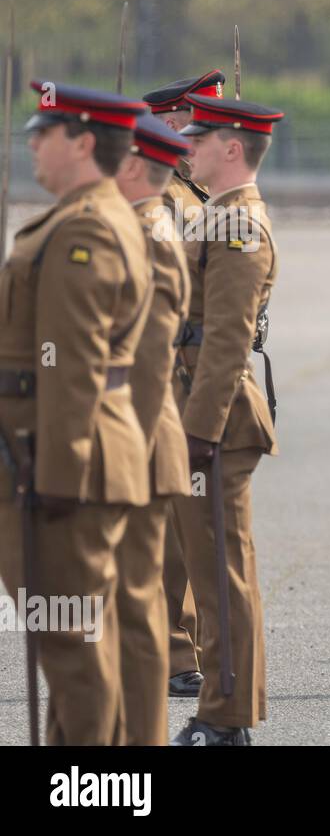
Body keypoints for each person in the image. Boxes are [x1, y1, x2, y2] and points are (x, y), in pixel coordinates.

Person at [0, 82, 151, 744]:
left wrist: (56, 478)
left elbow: (73, 364)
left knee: (71, 645)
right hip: (55, 458)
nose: (32, 142)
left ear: (85, 141)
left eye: (45, 131)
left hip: (60, 465)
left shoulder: (85, 226)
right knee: (70, 644)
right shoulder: (79, 216)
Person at [169, 93, 283, 745]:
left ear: (231, 148)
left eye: (199, 137)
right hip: (196, 417)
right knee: (214, 576)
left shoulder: (238, 224)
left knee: (220, 577)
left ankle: (226, 717)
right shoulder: (217, 217)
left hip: (215, 425)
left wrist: (196, 432)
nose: (188, 145)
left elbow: (225, 340)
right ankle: (223, 707)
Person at [142, 68, 226, 699]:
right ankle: (171, 651)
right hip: (173, 377)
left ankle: (183, 641)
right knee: (176, 524)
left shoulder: (199, 195)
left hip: (203, 372)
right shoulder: (166, 199)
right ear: (173, 125)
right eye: (203, 125)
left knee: (194, 520)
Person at [112, 114, 193, 744]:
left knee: (171, 545)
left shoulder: (169, 208)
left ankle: (179, 654)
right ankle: (178, 652)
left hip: (164, 395)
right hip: (161, 393)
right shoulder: (159, 209)